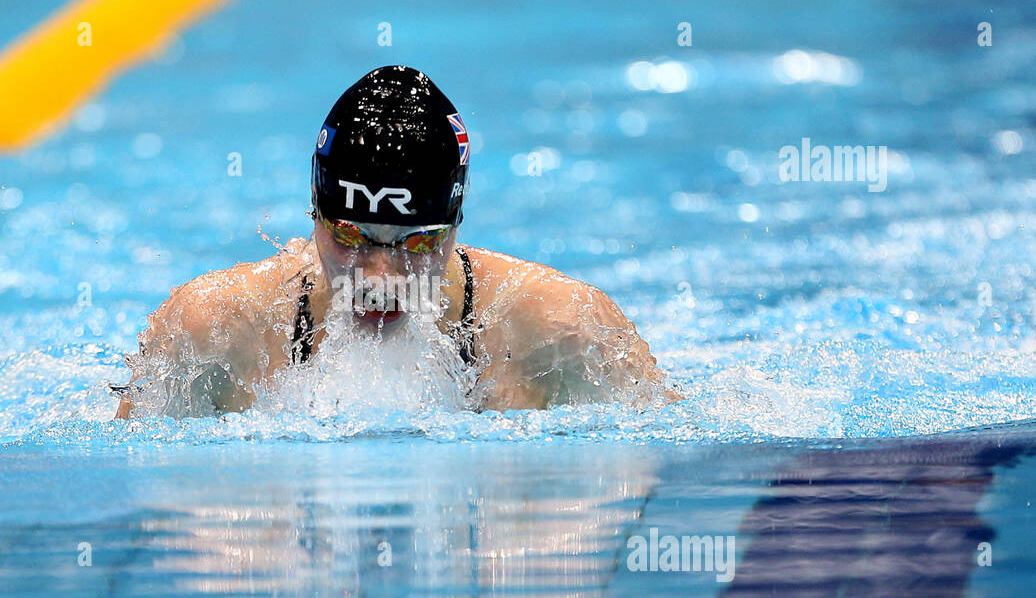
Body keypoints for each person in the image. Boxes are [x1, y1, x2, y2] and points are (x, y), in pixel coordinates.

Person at [114, 66, 676, 417]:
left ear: (455, 227)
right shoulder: (213, 331)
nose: (378, 279)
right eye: (350, 236)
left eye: (413, 246)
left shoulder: (560, 331)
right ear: (315, 216)